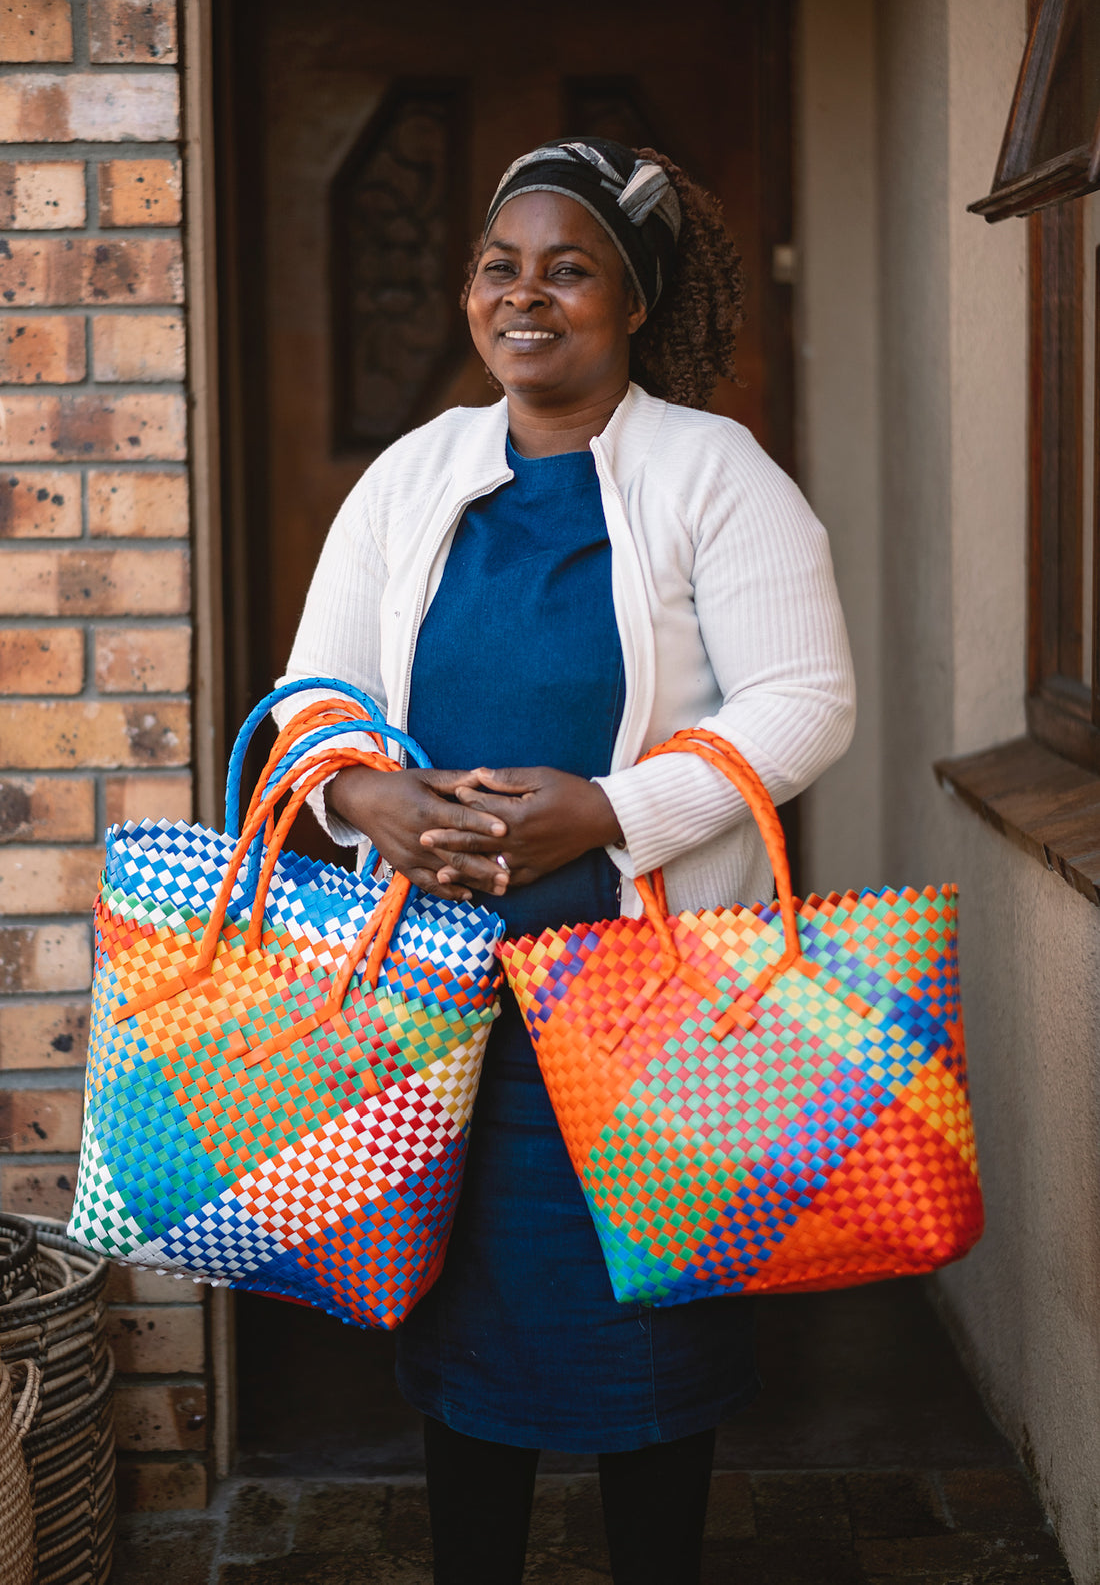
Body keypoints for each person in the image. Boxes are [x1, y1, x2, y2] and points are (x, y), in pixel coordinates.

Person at [281, 137, 855, 1585]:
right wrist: (371, 798)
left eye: (570, 267)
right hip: (437, 1012)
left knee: (649, 1365)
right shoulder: (413, 477)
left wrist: (602, 812)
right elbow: (312, 699)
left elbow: (807, 697)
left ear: (634, 300)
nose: (526, 295)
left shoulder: (714, 473)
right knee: (462, 1360)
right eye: (500, 266)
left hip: (641, 1012)